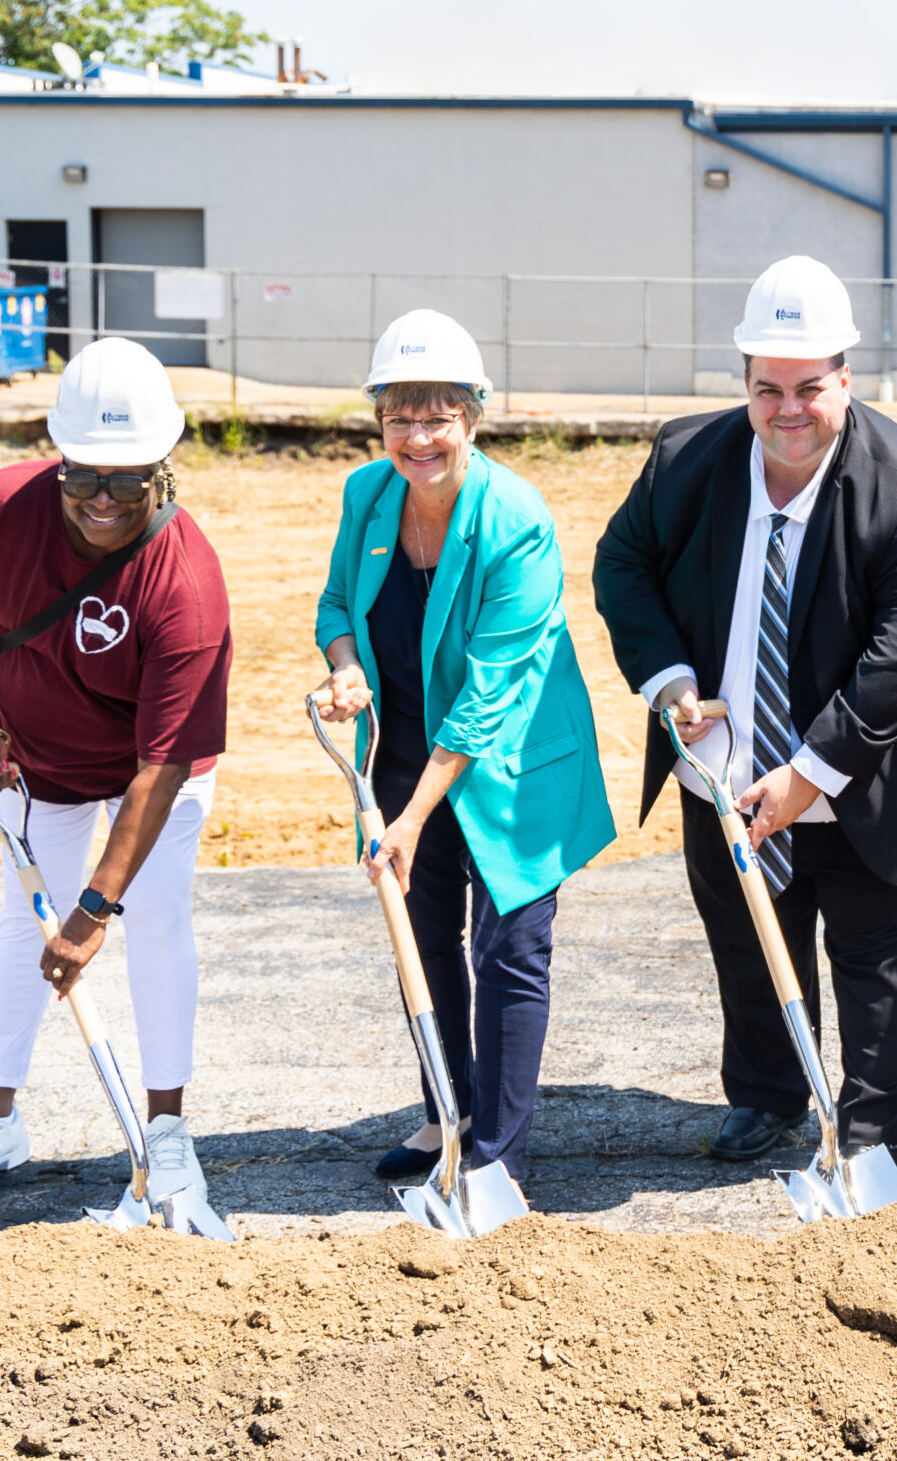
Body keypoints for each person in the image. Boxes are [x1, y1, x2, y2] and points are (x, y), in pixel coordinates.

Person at [592, 255, 897, 1166]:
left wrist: (810, 776)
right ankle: (768, 1091)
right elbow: (623, 566)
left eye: (810, 387)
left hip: (874, 771)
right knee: (746, 938)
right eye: (767, 388)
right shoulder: (686, 460)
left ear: (846, 378)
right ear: (744, 383)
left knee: (874, 959)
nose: (788, 410)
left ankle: (869, 1127)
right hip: (725, 763)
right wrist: (671, 679)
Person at [0, 338, 233, 1208]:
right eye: (84, 474)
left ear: (162, 470)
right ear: (59, 456)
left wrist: (94, 909)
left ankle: (166, 1132)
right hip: (39, 759)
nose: (101, 499)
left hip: (149, 773)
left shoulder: (187, 585)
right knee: (24, 928)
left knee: (155, 919)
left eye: (126, 481)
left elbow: (162, 766)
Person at [312, 310, 616, 1198]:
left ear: (473, 418)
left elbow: (488, 693)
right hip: (402, 748)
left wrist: (407, 817)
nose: (417, 436)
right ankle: (449, 1108)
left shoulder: (514, 516)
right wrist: (344, 670)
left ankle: (501, 1159)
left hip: (508, 763)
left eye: (438, 415)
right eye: (399, 415)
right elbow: (337, 604)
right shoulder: (368, 496)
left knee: (510, 948)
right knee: (426, 934)